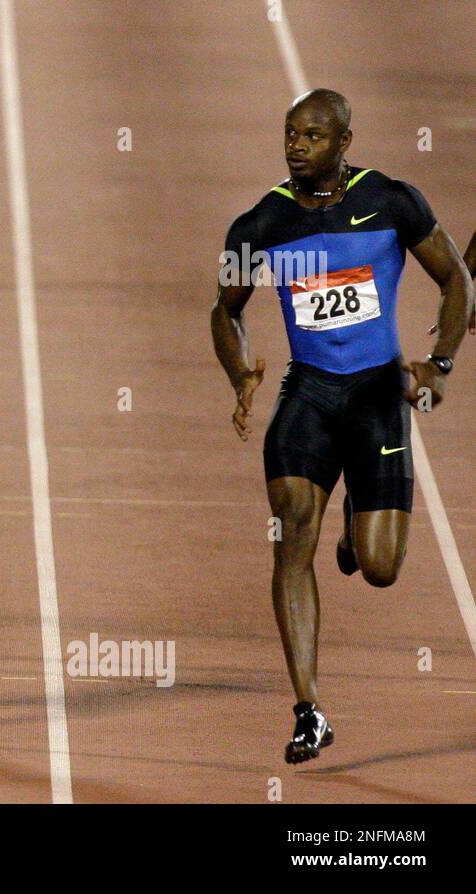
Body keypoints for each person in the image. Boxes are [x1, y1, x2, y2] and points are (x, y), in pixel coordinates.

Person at [211, 89, 473, 763]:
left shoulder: (392, 200)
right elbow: (226, 310)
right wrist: (240, 372)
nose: (296, 145)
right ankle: (309, 709)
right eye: (290, 133)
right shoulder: (260, 224)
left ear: (343, 144)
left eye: (312, 136)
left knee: (381, 567)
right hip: (308, 397)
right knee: (292, 534)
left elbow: (457, 279)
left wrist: (439, 364)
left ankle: (360, 506)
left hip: (380, 397)